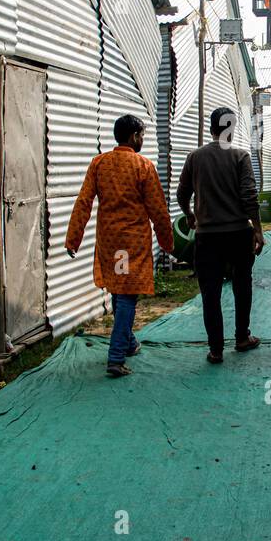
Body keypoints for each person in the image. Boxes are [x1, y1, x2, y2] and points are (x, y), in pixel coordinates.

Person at [66, 115, 173, 378]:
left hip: (110, 242)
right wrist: (167, 242)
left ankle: (129, 343)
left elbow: (84, 202)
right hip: (131, 243)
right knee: (126, 297)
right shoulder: (142, 166)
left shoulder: (99, 164)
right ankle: (115, 357)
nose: (143, 139)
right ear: (134, 136)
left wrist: (73, 238)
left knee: (118, 291)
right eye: (143, 135)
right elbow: (158, 210)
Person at [176, 106, 264, 364]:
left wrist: (190, 214)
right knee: (242, 285)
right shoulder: (240, 156)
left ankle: (216, 349)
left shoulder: (195, 157)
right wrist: (257, 229)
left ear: (212, 128)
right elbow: (249, 197)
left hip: (207, 237)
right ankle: (241, 337)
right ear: (232, 128)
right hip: (238, 233)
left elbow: (182, 194)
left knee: (210, 293)